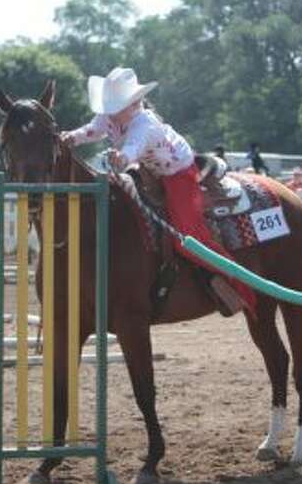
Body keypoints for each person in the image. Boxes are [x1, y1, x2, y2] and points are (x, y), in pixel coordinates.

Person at [61, 67, 256, 317]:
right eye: (109, 107)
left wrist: (122, 158)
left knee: (189, 238)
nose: (110, 113)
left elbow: (135, 146)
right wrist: (70, 138)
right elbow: (91, 130)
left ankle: (240, 284)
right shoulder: (109, 116)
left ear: (134, 104)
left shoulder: (145, 123)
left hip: (178, 173)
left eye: (115, 107)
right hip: (150, 170)